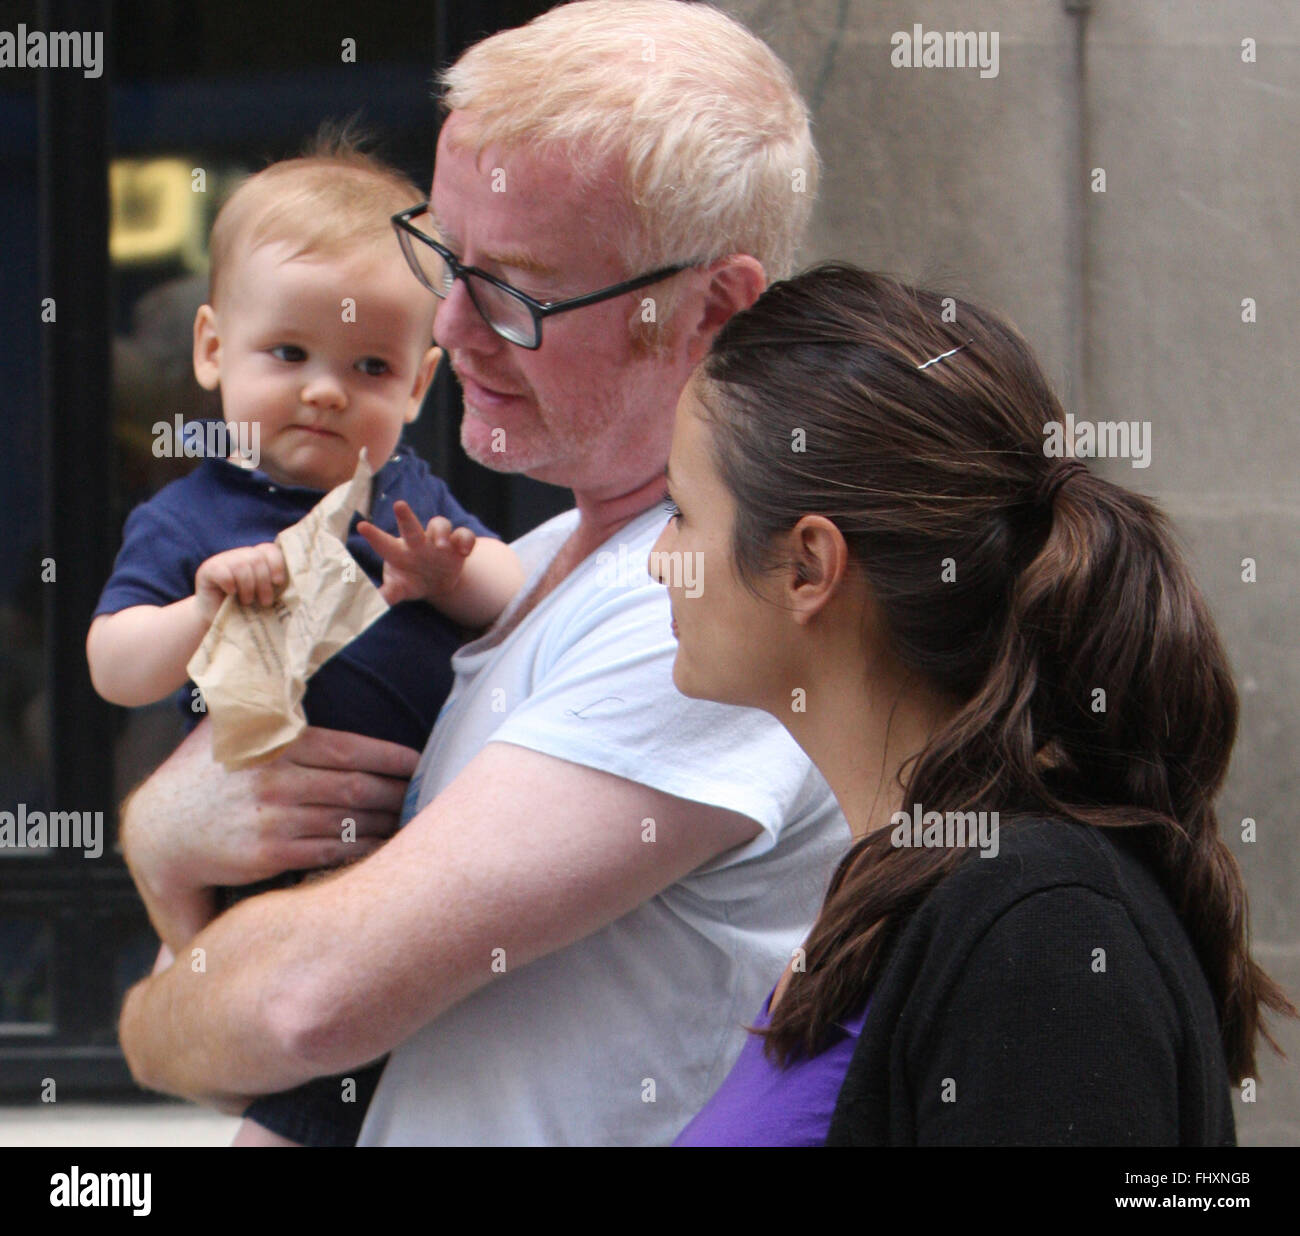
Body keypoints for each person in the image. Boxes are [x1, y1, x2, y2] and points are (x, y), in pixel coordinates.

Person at [116, 0, 849, 1145]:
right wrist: (171, 839)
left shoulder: (708, 603)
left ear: (713, 305)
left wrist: (158, 992)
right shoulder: (534, 560)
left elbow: (300, 1009)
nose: (449, 326)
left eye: (521, 290)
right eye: (444, 255)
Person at [654, 264, 1296, 1145]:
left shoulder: (1042, 932)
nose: (658, 561)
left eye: (680, 513)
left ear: (809, 565)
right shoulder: (931, 890)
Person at [89, 136, 525, 1145]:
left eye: (369, 366)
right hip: (273, 875)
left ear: (419, 387)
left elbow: (516, 591)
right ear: (212, 350)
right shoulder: (188, 520)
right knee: (302, 1092)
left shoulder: (409, 499)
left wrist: (453, 576)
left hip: (406, 856)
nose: (327, 390)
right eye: (288, 355)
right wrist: (200, 610)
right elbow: (114, 667)